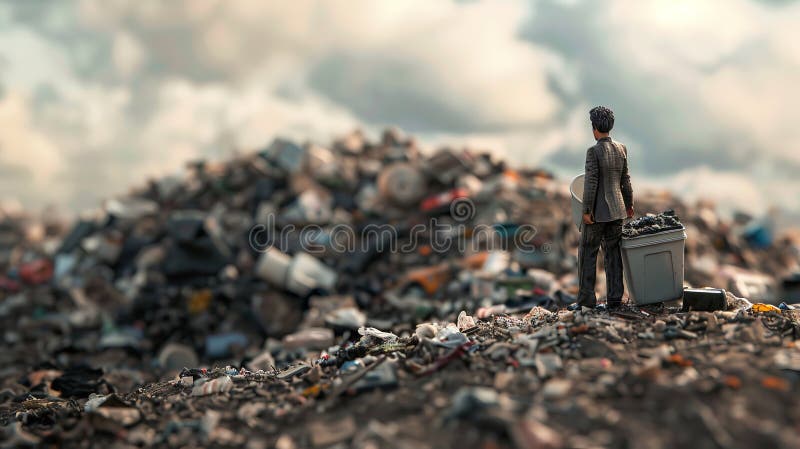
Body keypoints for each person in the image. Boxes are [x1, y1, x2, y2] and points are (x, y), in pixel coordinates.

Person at [568, 106, 633, 311]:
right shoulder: (621, 148)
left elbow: (591, 183)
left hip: (597, 214)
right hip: (617, 211)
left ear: (595, 127)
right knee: (613, 254)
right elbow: (625, 180)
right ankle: (615, 298)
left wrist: (586, 211)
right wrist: (629, 204)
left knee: (588, 252)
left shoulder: (593, 151)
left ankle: (586, 300)